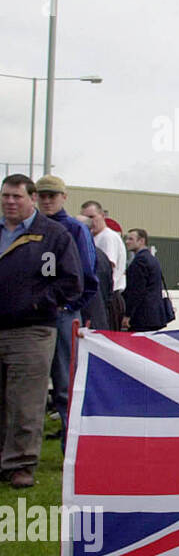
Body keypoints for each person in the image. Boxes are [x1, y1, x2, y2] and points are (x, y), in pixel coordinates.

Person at [1, 175, 82, 488]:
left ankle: (20, 464)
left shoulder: (53, 235)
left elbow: (72, 281)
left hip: (32, 331)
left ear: (31, 199)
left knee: (26, 401)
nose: (10, 202)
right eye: (6, 196)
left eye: (17, 197)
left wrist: (38, 303)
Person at [33, 175, 98, 449]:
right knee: (30, 383)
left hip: (62, 314)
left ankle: (70, 446)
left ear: (63, 197)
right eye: (43, 195)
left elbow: (88, 277)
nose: (47, 201)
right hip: (31, 315)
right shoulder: (29, 227)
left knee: (64, 383)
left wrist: (69, 306)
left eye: (52, 195)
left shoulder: (74, 229)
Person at [80, 200, 128, 330]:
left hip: (106, 297)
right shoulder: (94, 238)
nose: (89, 222)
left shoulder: (107, 238)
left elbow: (106, 270)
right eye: (85, 218)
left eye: (92, 217)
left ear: (102, 215)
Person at [122, 228, 168, 332]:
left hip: (142, 316)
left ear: (141, 241)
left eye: (131, 239)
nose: (127, 242)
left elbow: (136, 291)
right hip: (154, 314)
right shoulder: (151, 259)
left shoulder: (140, 261)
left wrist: (127, 314)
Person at [74, 213, 114, 331]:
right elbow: (109, 291)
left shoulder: (77, 255)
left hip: (84, 320)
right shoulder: (102, 256)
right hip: (99, 317)